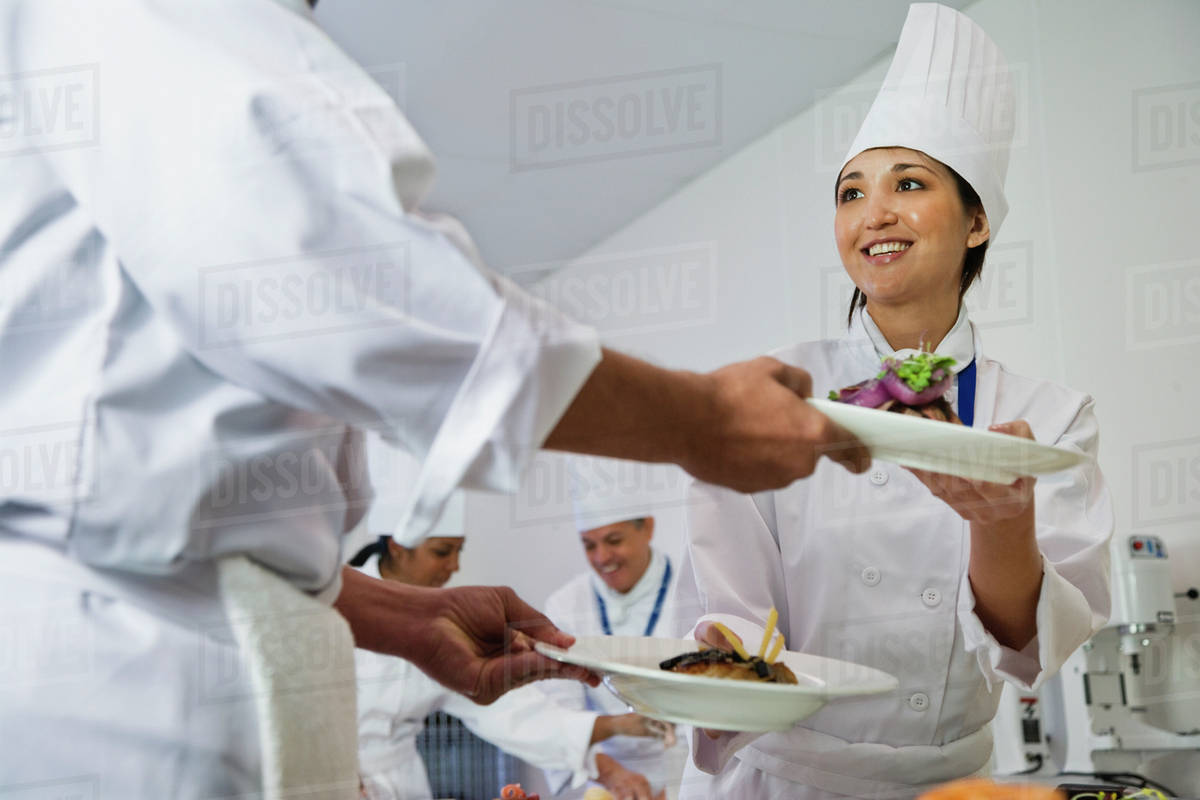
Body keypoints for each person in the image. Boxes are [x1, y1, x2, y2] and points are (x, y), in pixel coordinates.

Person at [0, 2, 872, 798]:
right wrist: (702, 420)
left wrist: (404, 619)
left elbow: (169, 466)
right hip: (129, 688)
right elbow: (334, 288)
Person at [674, 4, 1114, 798]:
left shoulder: (1047, 419)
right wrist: (704, 668)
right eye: (851, 193)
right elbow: (729, 615)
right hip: (786, 783)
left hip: (951, 785)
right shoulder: (772, 393)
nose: (873, 213)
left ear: (977, 222)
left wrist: (1001, 525)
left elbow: (1031, 652)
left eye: (908, 184)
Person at [349, 527, 668, 800]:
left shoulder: (443, 625)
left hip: (402, 784)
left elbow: (510, 712)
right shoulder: (330, 605)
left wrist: (608, 756)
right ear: (397, 548)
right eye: (442, 551)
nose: (455, 566)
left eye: (459, 551)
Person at [539, 479, 691, 800]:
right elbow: (554, 711)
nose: (602, 557)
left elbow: (717, 702)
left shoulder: (692, 591)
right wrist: (606, 770)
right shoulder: (565, 605)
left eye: (614, 540)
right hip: (604, 774)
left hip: (690, 771)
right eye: (588, 545)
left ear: (647, 528)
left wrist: (681, 786)